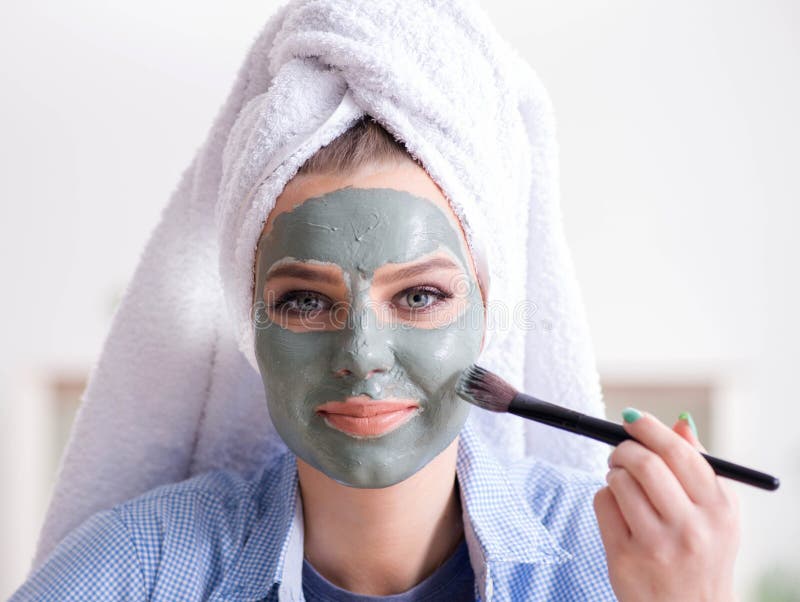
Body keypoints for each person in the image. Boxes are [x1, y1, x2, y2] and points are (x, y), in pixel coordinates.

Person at [12, 1, 740, 600]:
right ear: (248, 324)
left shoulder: (612, 564)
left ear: (491, 310)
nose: (362, 354)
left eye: (420, 295)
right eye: (303, 301)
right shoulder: (141, 567)